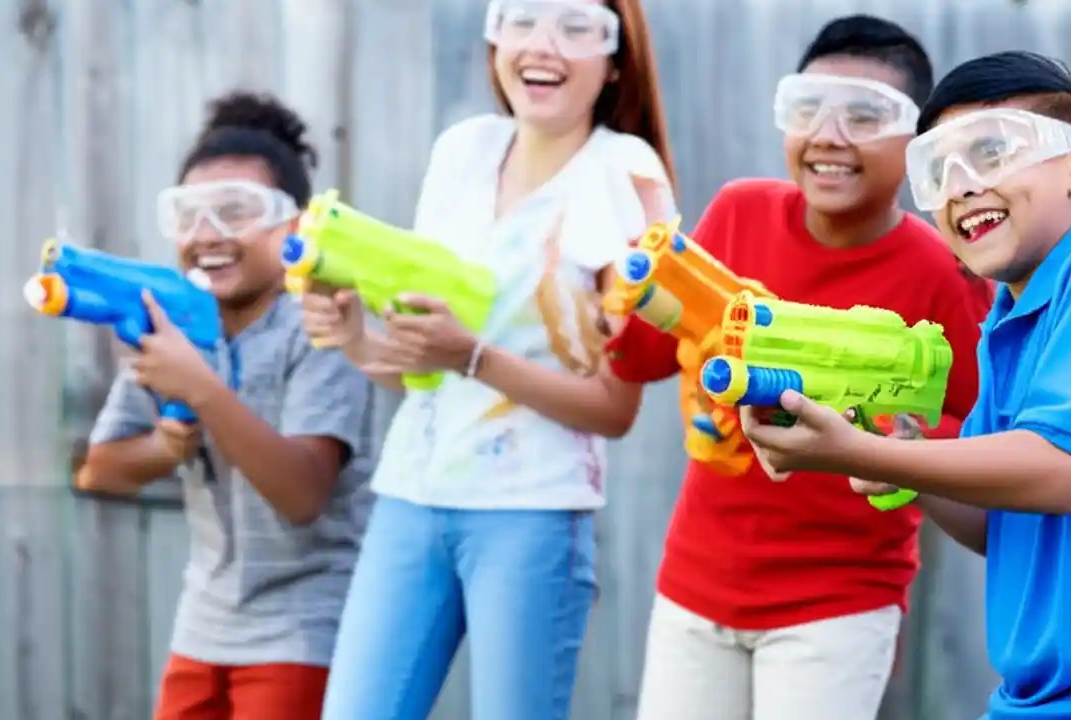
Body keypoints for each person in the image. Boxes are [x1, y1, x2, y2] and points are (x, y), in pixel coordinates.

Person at [742, 50, 1071, 718]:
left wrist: (856, 453)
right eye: (938, 171)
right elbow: (995, 521)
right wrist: (908, 455)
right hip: (1037, 696)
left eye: (992, 153)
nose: (962, 186)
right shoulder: (1007, 320)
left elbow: (1055, 472)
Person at [603, 15, 991, 720]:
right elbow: (641, 355)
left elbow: (980, 440)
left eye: (865, 115)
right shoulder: (738, 212)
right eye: (807, 110)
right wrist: (621, 283)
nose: (828, 136)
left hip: (839, 604)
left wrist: (893, 445)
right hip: (695, 585)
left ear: (915, 144)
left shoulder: (944, 274)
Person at [302, 1, 677, 718]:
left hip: (532, 513)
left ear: (616, 60)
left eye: (577, 28)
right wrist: (351, 335)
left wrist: (476, 357)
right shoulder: (462, 151)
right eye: (523, 19)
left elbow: (616, 406)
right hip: (411, 495)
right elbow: (423, 366)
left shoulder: (625, 174)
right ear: (494, 38)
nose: (544, 46)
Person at [76, 92, 377, 720]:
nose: (207, 236)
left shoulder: (319, 325)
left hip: (309, 630)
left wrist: (202, 391)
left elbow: (302, 495)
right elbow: (98, 469)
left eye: (236, 212)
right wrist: (166, 445)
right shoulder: (174, 325)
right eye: (188, 215)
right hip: (201, 631)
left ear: (293, 228)